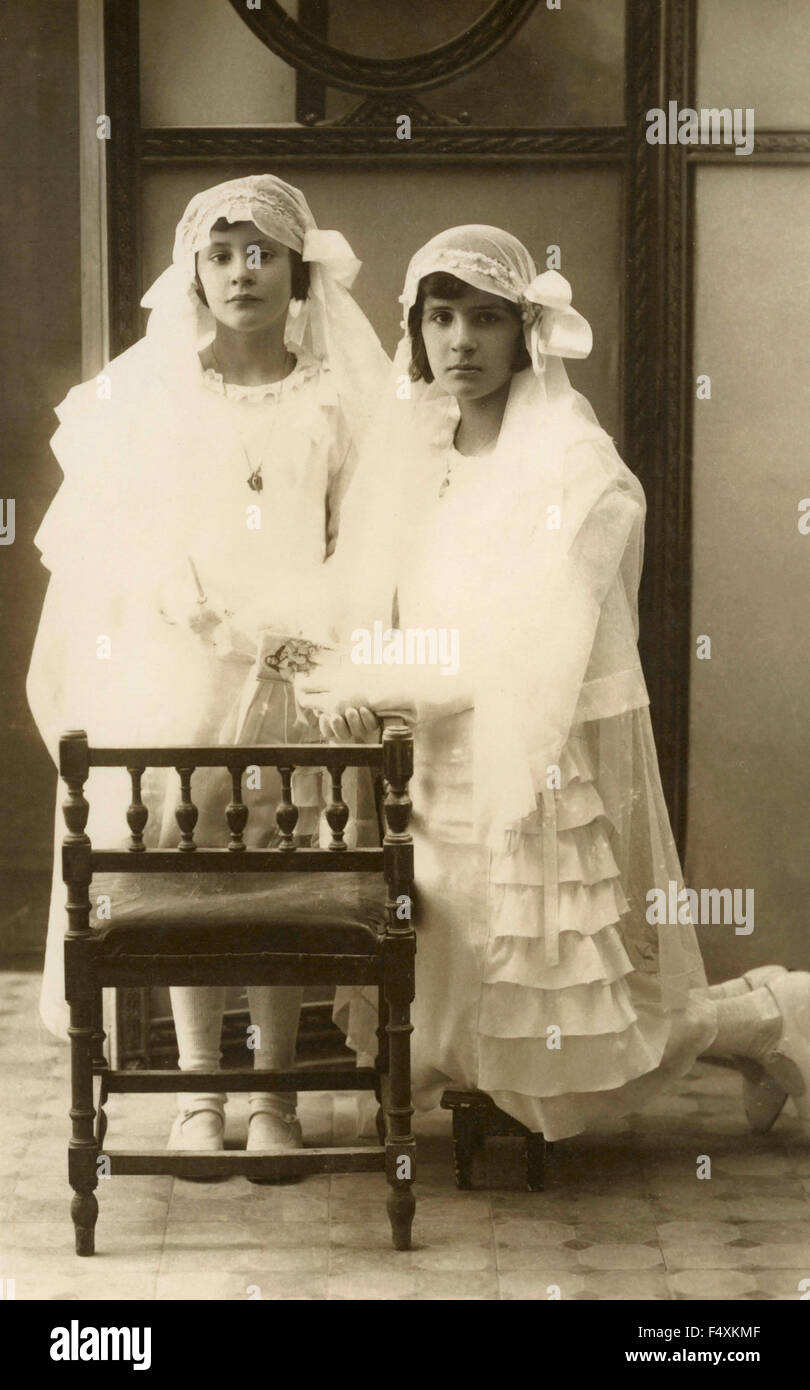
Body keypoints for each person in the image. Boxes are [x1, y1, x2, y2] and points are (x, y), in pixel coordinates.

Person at [298, 225, 810, 1144]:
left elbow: (537, 647)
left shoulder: (575, 470)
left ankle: (778, 1016)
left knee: (565, 1048)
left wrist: (405, 686)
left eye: (485, 319)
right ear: (414, 331)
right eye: (440, 317)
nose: (459, 341)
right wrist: (343, 674)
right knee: (453, 986)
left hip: (527, 750)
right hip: (430, 759)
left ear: (525, 330)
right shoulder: (414, 454)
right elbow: (376, 606)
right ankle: (765, 1022)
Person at [27, 175, 389, 1158]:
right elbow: (126, 544)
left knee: (280, 859)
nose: (244, 272)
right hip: (182, 659)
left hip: (302, 667)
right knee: (192, 862)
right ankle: (199, 1093)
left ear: (299, 271)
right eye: (223, 253)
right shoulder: (153, 397)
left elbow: (367, 542)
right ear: (194, 271)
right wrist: (219, 626)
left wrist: (330, 659)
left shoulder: (338, 397)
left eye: (264, 252)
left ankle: (271, 1093)